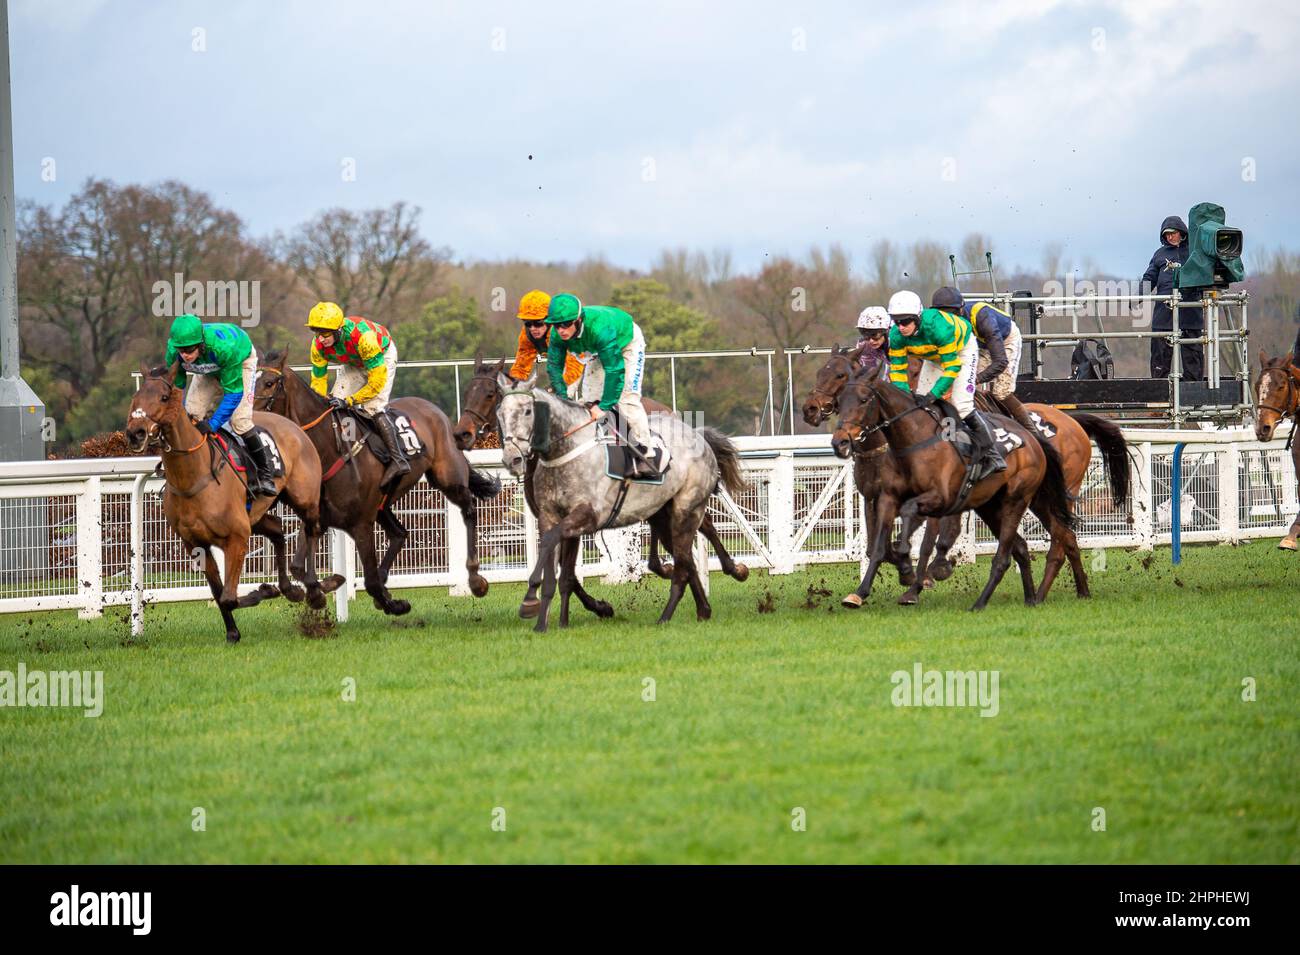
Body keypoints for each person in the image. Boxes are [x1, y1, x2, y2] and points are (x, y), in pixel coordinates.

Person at [887, 289, 1005, 472]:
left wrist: (933, 395)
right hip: (933, 357)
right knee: (919, 404)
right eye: (896, 321)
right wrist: (904, 397)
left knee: (962, 405)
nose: (901, 327)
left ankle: (992, 455)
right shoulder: (895, 336)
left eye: (905, 321)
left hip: (962, 352)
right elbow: (897, 371)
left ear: (917, 318)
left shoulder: (939, 328)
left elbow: (952, 367)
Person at [544, 293, 660, 479]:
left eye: (566, 324)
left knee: (626, 399)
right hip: (597, 349)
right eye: (556, 325)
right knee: (589, 400)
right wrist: (563, 398)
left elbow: (615, 370)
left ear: (578, 320)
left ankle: (647, 452)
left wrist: (605, 405)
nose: (561, 330)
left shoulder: (600, 329)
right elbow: (554, 367)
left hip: (627, 342)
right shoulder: (557, 336)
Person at [164, 313, 276, 496]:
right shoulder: (173, 351)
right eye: (181, 350)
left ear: (200, 344)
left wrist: (213, 424)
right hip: (208, 365)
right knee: (192, 415)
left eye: (190, 349)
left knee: (240, 421)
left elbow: (233, 394)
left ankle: (265, 474)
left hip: (239, 360)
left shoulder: (224, 349)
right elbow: (177, 388)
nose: (185, 355)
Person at [305, 301, 409, 486]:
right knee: (333, 405)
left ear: (338, 330)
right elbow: (319, 381)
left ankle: (398, 460)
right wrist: (320, 403)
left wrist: (351, 400)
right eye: (317, 333)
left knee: (373, 407)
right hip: (354, 362)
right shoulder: (318, 345)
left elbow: (376, 382)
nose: (321, 339)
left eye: (326, 334)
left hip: (380, 357)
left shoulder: (364, 338)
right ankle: (348, 452)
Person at [931, 286, 1034, 432]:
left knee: (1001, 392)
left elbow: (1000, 362)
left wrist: (977, 378)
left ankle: (1032, 432)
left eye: (951, 316)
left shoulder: (981, 317)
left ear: (960, 311)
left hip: (1005, 341)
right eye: (943, 316)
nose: (948, 322)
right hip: (979, 345)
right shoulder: (937, 323)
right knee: (966, 390)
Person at [1142, 215, 1204, 381]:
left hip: (1190, 311)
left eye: (1173, 233)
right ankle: (1160, 390)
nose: (1170, 237)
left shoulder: (1194, 252)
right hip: (1164, 313)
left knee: (1193, 355)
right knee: (1159, 356)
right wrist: (1136, 297)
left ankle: (1193, 392)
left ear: (1181, 232)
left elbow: (1205, 275)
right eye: (1166, 234)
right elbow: (1149, 278)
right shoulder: (1159, 255)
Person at [509, 290, 585, 395]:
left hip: (597, 355)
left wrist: (552, 388)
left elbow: (574, 367)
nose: (532, 328)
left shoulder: (562, 331)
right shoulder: (526, 335)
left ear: (549, 319)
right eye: (527, 323)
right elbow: (521, 366)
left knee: (563, 397)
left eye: (538, 323)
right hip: (571, 362)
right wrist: (512, 385)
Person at [855, 306, 892, 374]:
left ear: (886, 331)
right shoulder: (864, 345)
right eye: (866, 335)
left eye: (874, 335)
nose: (871, 341)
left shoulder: (895, 342)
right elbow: (868, 372)